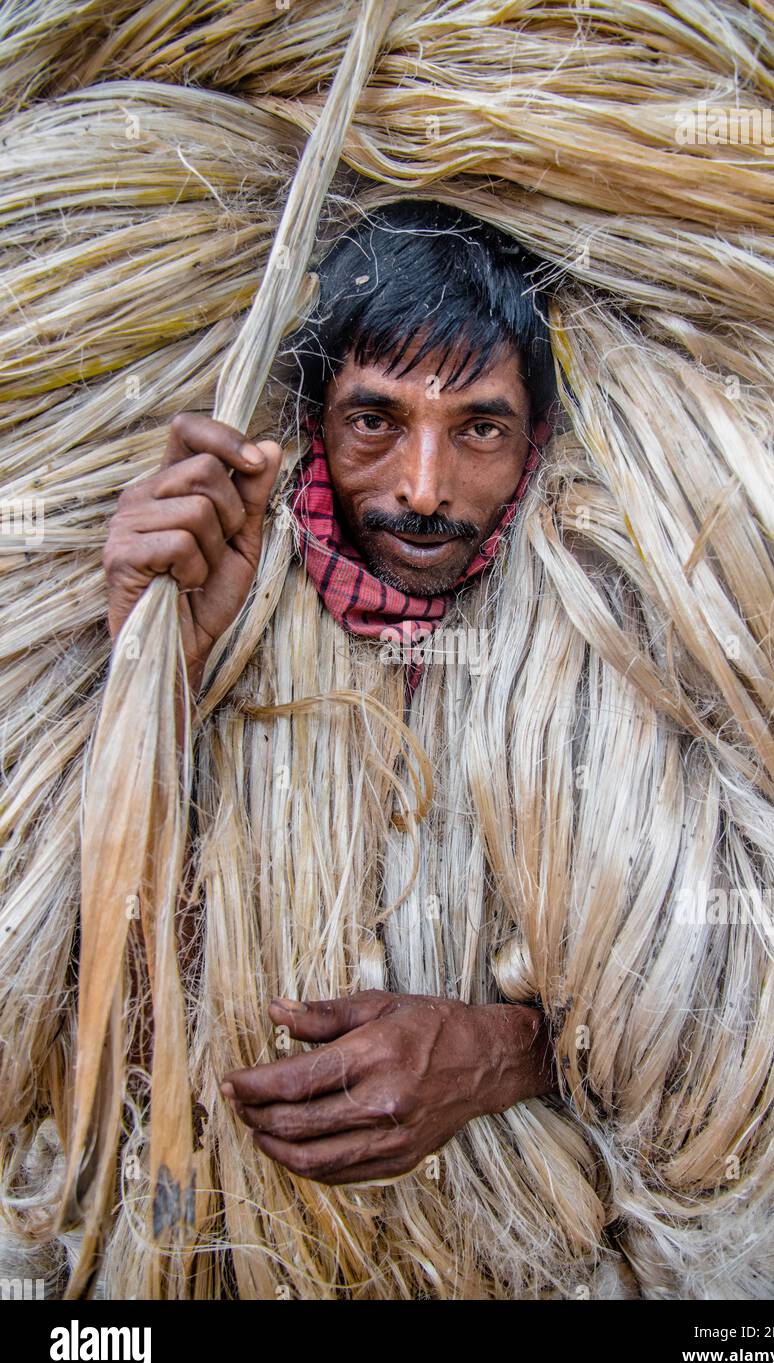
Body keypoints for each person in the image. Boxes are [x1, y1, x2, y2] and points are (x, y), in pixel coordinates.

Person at [103, 202, 564, 1189]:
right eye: (375, 421)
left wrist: (502, 1054)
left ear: (536, 442)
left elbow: (733, 1023)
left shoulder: (592, 654)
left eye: (479, 426)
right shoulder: (231, 609)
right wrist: (152, 668)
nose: (426, 487)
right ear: (314, 422)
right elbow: (94, 1012)